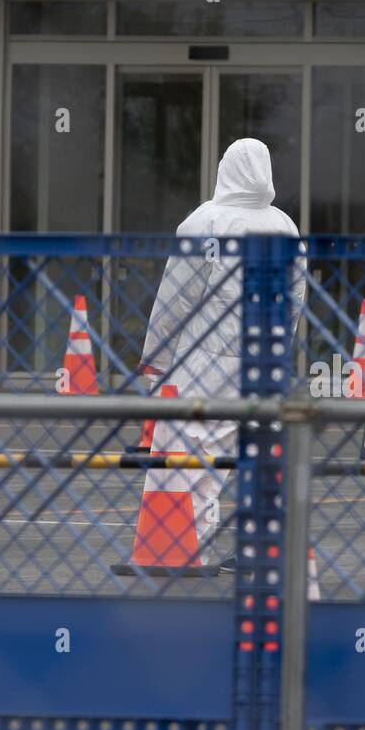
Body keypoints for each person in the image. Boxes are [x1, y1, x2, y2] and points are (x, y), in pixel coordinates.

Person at [138, 138, 305, 566]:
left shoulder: (204, 222)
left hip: (205, 358)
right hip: (260, 359)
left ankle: (189, 546)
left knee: (192, 453)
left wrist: (155, 356)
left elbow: (175, 298)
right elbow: (296, 296)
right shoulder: (284, 227)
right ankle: (251, 549)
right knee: (242, 452)